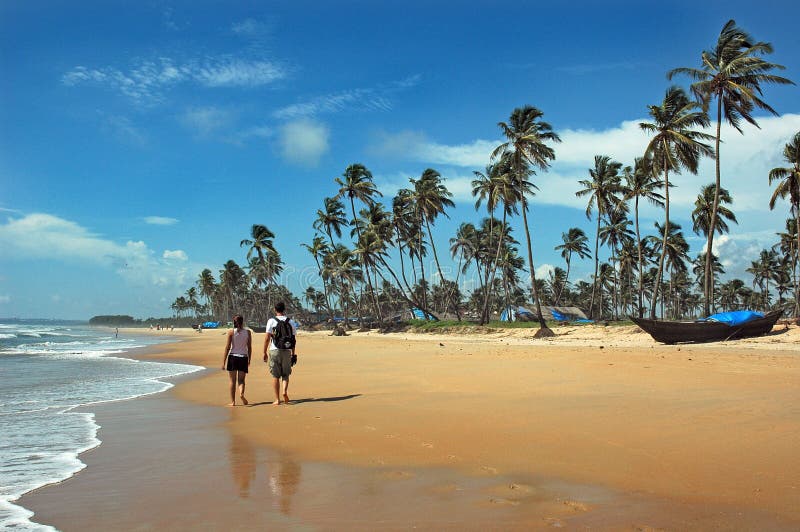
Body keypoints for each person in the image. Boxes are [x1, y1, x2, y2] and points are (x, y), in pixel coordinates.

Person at [264, 301, 296, 405]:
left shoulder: (271, 321)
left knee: (275, 376)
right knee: (285, 374)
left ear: (275, 309)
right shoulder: (291, 322)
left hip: (274, 350)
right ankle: (284, 391)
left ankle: (277, 399)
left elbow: (267, 338)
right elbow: (293, 340)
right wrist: (293, 353)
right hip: (287, 350)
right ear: (284, 309)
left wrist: (264, 352)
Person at [222, 314, 251, 406]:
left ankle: (233, 402)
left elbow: (227, 347)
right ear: (242, 321)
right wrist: (249, 359)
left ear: (234, 322)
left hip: (233, 357)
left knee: (232, 381)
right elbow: (249, 347)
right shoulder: (248, 332)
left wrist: (223, 361)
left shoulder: (231, 332)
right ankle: (241, 394)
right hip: (243, 357)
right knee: (241, 380)